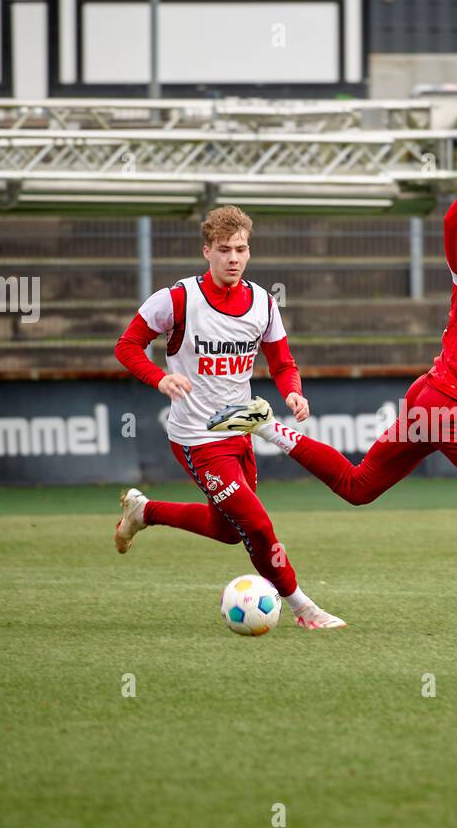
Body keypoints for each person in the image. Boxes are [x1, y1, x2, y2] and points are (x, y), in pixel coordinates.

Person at [209, 133, 457, 634]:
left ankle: (269, 430)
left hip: (431, 403)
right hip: (452, 410)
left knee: (360, 488)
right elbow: (452, 220)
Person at [112, 205, 345, 630]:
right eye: (224, 250)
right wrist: (159, 378)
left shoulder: (263, 302)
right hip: (195, 439)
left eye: (241, 249)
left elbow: (282, 363)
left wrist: (293, 392)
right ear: (207, 252)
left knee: (228, 530)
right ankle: (303, 609)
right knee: (256, 523)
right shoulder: (177, 299)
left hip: (239, 429)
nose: (233, 258)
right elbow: (127, 346)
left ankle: (144, 513)